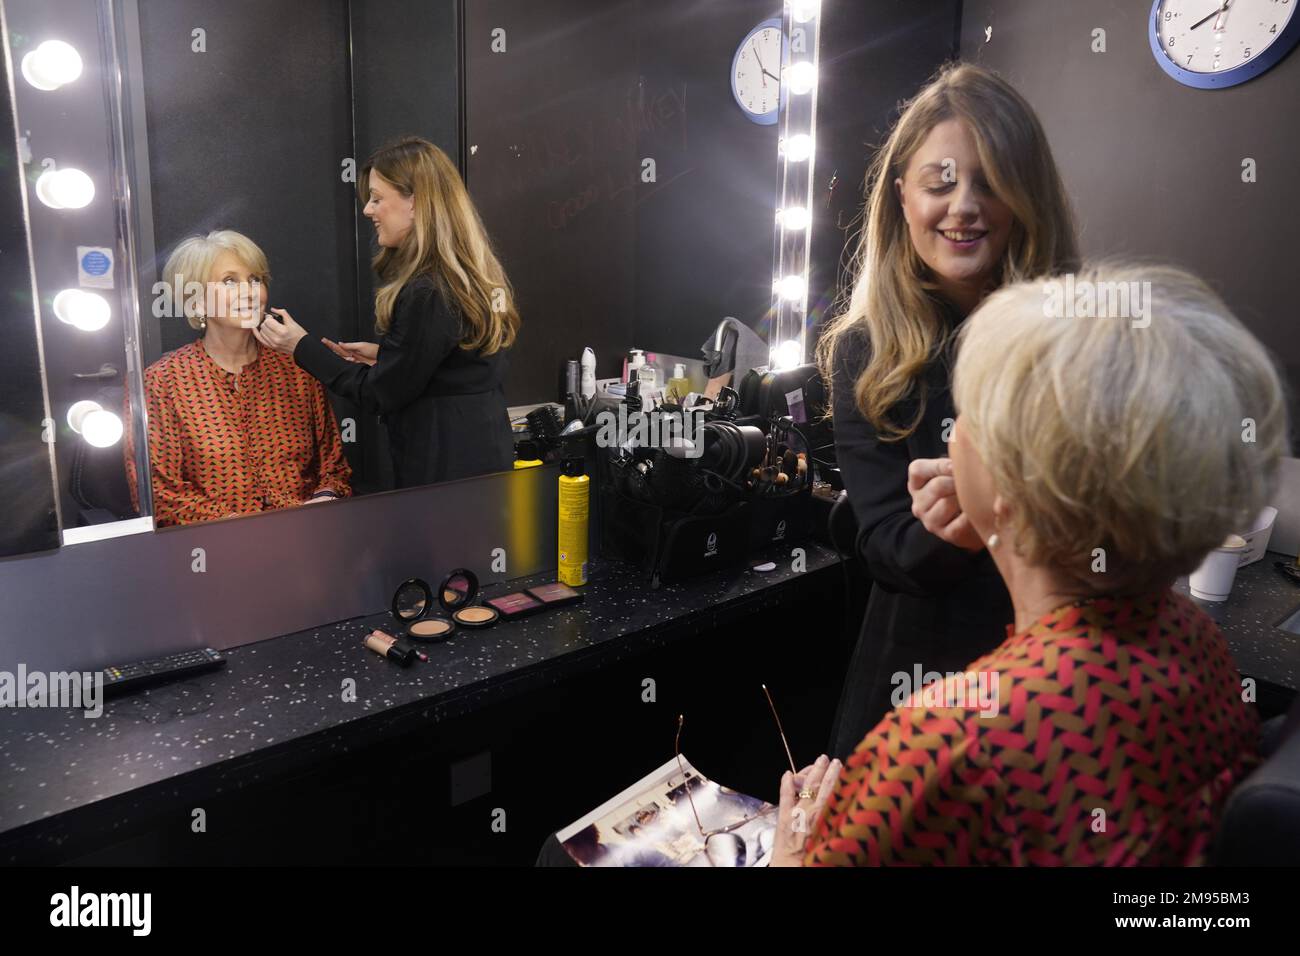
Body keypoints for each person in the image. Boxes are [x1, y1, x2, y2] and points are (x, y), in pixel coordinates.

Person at [770, 262, 1285, 866]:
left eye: (969, 415)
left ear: (1012, 484)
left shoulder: (941, 747)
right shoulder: (1196, 641)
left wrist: (797, 849)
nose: (952, 435)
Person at [814, 62, 1079, 758]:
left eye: (990, 181)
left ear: (1029, 198)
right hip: (916, 673)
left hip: (1056, 668)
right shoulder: (864, 353)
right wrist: (956, 531)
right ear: (902, 195)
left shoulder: (1076, 335)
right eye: (940, 182)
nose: (963, 205)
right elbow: (885, 548)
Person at [255, 137, 518, 487]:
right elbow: (455, 365)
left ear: (417, 203)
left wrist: (300, 346)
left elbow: (380, 393)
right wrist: (388, 356)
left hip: (446, 474)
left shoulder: (429, 291)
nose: (368, 210)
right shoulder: (466, 278)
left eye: (378, 198)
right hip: (483, 461)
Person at [126, 230, 351, 527]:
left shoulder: (298, 371)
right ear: (196, 301)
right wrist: (240, 530)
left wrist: (326, 498)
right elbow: (158, 494)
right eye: (229, 281)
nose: (250, 292)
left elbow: (334, 468)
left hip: (306, 541)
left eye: (255, 279)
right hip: (210, 555)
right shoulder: (162, 383)